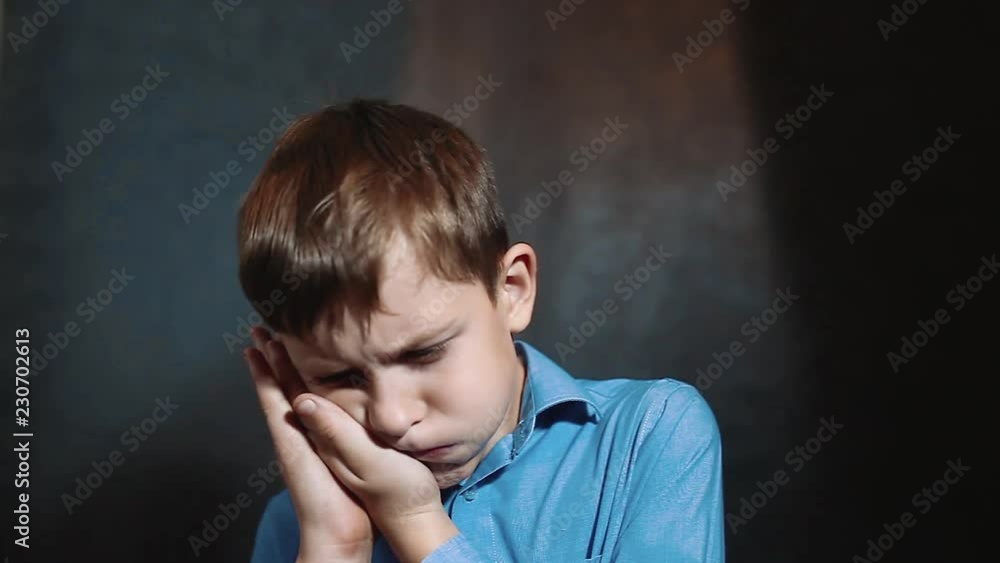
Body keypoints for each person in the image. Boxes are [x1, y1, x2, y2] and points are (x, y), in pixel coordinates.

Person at [237, 99, 724, 562]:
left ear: (512, 289)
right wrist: (337, 548)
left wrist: (413, 520)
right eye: (341, 378)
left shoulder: (649, 434)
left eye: (425, 353)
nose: (392, 417)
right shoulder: (302, 525)